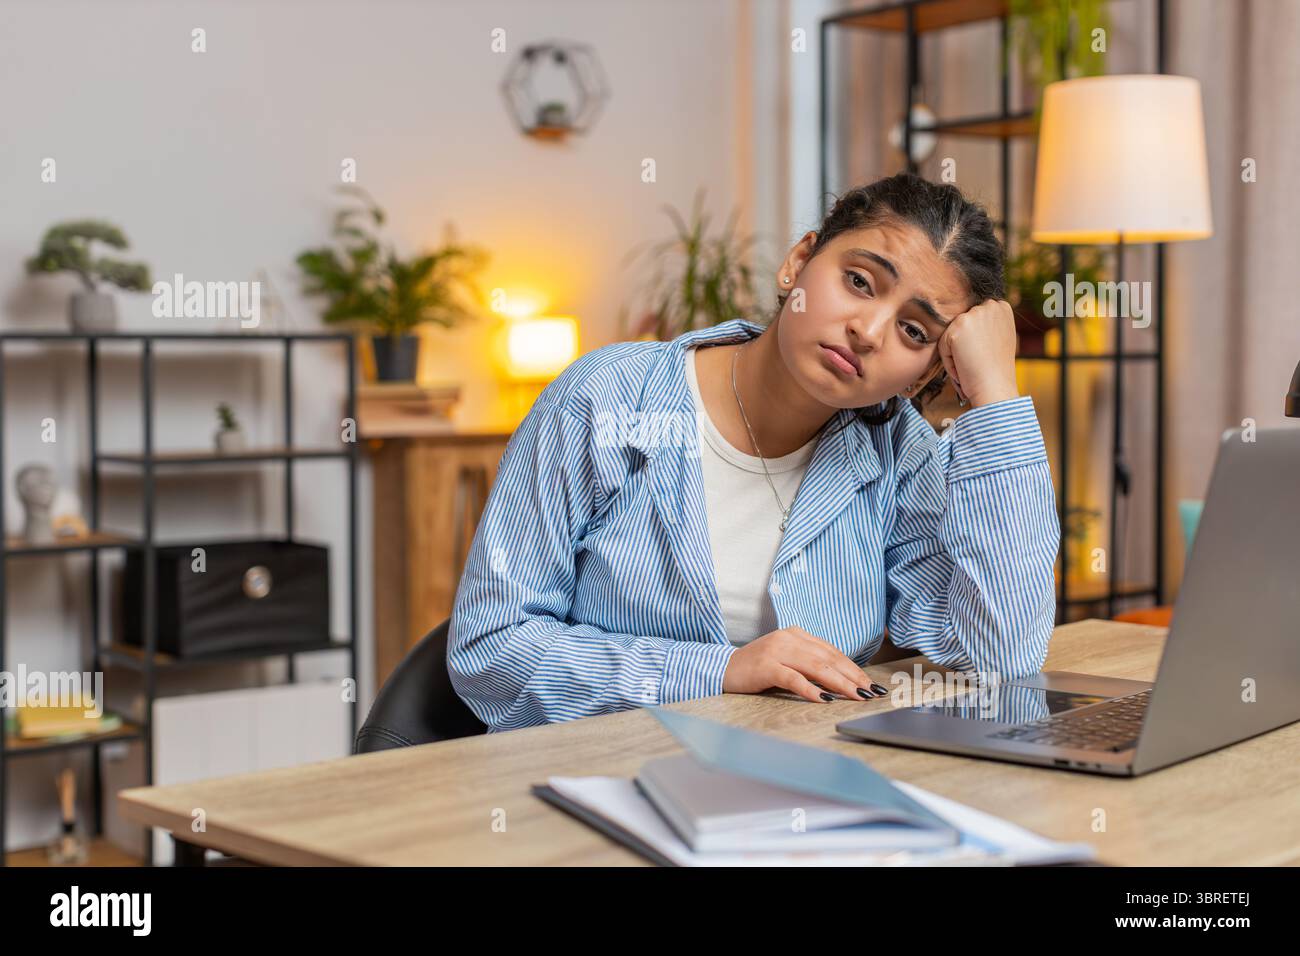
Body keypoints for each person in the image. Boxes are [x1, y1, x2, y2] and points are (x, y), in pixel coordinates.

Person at [449, 172, 1059, 733]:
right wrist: (720, 670)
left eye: (914, 331)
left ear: (923, 372)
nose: (868, 332)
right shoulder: (607, 401)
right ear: (798, 262)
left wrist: (996, 397)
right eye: (858, 282)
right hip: (598, 788)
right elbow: (491, 648)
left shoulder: (898, 452)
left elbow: (1001, 656)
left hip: (802, 800)